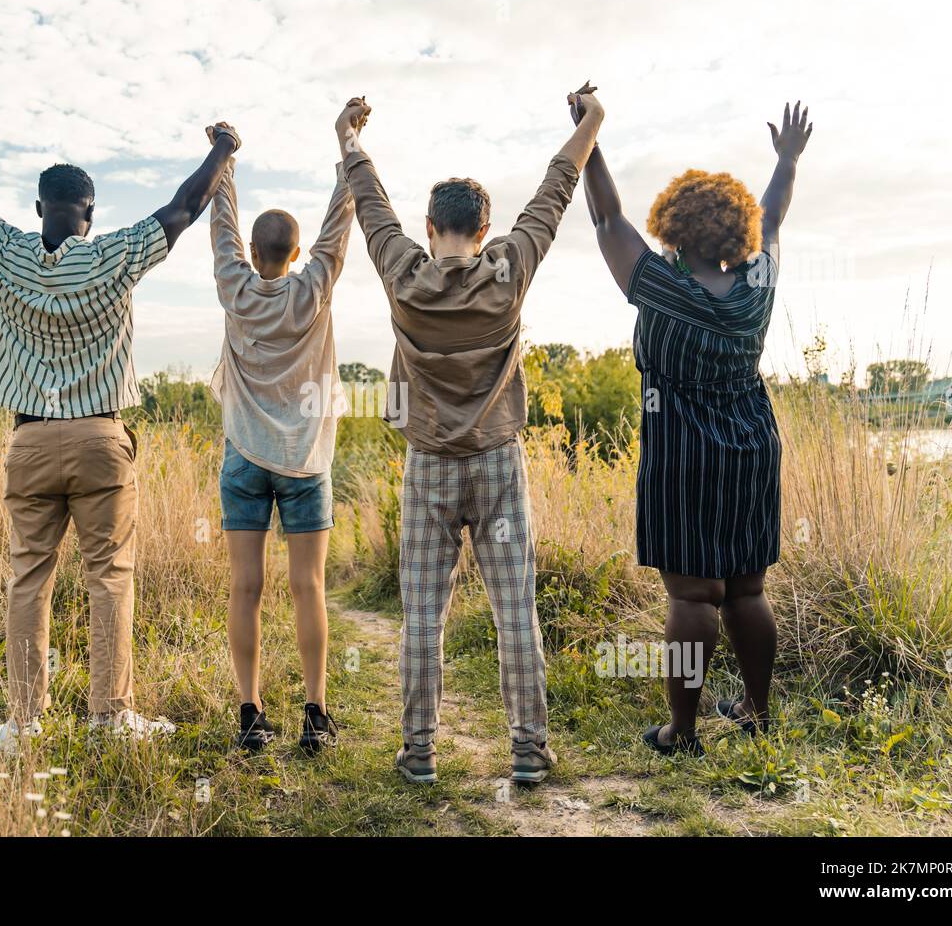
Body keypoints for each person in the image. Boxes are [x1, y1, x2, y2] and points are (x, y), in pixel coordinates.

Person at [0, 64, 241, 753]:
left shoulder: (4, 251)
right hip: (103, 441)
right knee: (109, 577)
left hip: (31, 444)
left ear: (39, 206)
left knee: (28, 578)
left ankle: (24, 722)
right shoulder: (116, 254)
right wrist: (221, 151)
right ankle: (109, 718)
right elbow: (183, 209)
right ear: (90, 212)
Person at [336, 87, 605, 784]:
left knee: (423, 617)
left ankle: (419, 753)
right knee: (516, 609)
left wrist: (350, 138)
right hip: (496, 463)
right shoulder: (509, 270)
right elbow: (557, 187)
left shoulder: (403, 273)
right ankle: (528, 750)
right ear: (484, 229)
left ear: (429, 227)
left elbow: (369, 202)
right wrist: (593, 121)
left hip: (428, 465)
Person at [573, 97, 812, 754]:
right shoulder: (760, 279)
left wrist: (589, 140)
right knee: (747, 588)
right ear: (740, 233)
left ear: (672, 227)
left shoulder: (657, 284)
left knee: (694, 596)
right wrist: (787, 159)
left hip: (681, 453)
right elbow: (777, 211)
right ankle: (757, 714)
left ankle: (682, 731)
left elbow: (606, 218)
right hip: (753, 446)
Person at [205, 109, 360, 753]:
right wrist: (348, 147)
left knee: (246, 588)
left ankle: (249, 715)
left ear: (251, 253)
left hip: (243, 457)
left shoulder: (233, 286)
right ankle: (315, 714)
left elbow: (220, 226)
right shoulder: (313, 289)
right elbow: (338, 229)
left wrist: (226, 162)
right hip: (304, 463)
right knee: (309, 587)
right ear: (294, 254)